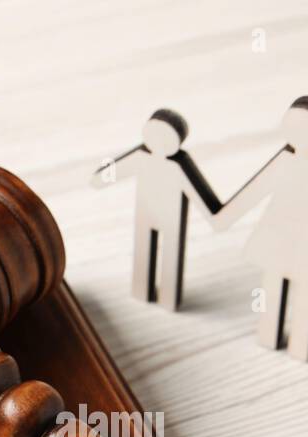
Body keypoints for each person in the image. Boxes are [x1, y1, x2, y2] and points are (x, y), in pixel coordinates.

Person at [212, 96, 308, 361]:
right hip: (279, 235)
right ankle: (271, 335)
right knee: (275, 283)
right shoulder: (286, 160)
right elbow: (256, 189)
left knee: (305, 288)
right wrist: (223, 216)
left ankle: (299, 344)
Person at [90, 109, 222, 311]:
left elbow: (203, 198)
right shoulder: (142, 157)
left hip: (171, 219)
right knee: (144, 249)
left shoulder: (178, 166)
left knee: (170, 253)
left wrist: (217, 216)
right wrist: (98, 180)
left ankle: (168, 298)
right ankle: (143, 290)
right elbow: (108, 174)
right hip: (147, 212)